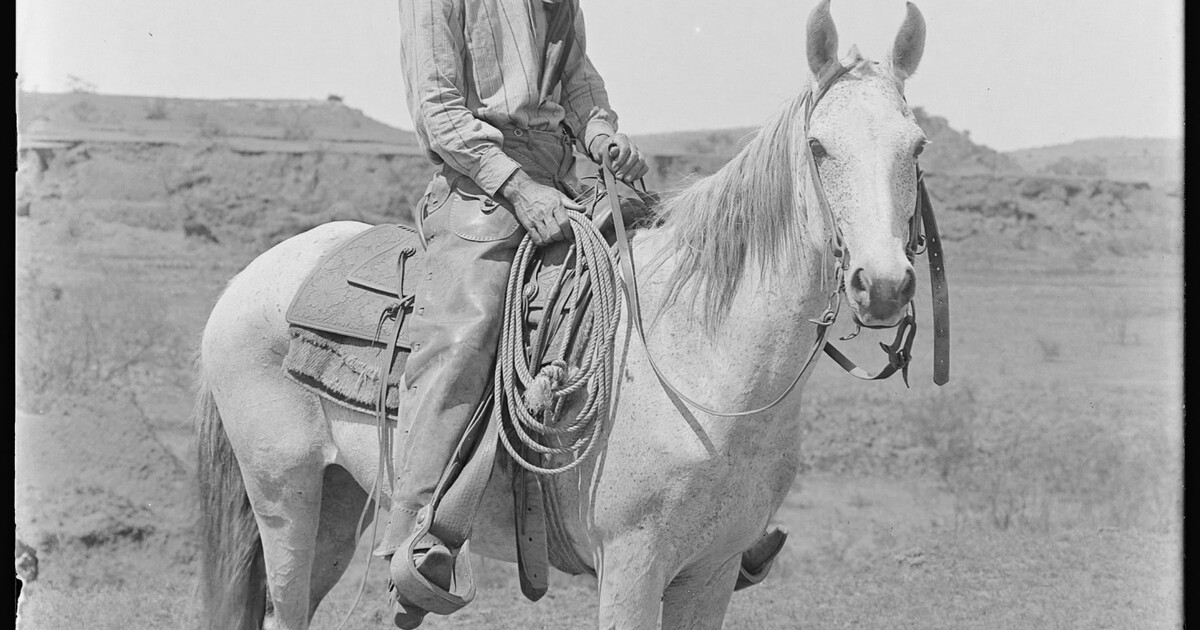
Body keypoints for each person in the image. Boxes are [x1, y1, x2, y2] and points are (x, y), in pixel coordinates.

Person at [378, 0, 649, 624]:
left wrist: (601, 131)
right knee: (465, 331)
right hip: (479, 186)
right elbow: (438, 110)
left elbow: (577, 77)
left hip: (564, 178)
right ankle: (415, 536)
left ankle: (702, 514)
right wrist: (520, 189)